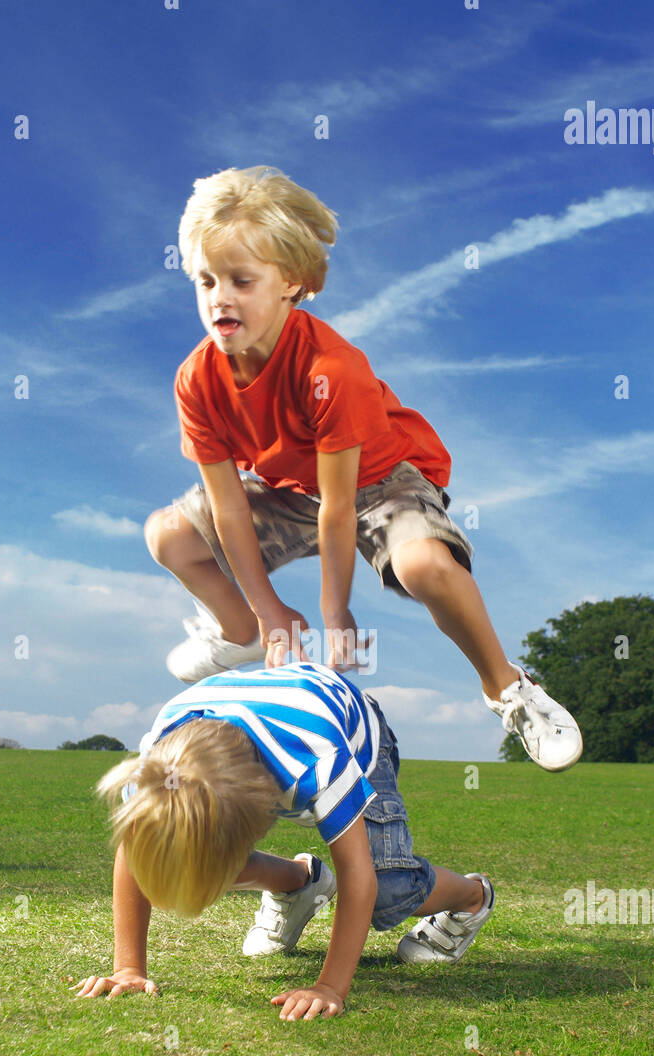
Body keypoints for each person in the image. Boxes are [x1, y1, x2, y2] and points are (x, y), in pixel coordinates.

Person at [143, 165, 582, 773]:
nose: (220, 297)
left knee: (425, 565)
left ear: (291, 283)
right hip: (289, 489)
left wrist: (334, 615)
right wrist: (270, 613)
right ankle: (237, 628)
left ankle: (507, 688)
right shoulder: (197, 380)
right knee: (170, 535)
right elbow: (227, 507)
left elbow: (342, 506)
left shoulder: (332, 368)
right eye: (206, 280)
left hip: (381, 480)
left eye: (242, 280)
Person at [74, 662, 496, 1020]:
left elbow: (357, 876)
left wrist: (330, 986)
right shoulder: (156, 777)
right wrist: (128, 967)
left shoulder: (318, 763)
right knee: (191, 855)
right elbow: (134, 850)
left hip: (358, 733)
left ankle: (472, 898)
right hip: (262, 726)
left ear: (264, 817)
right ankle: (301, 882)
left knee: (386, 892)